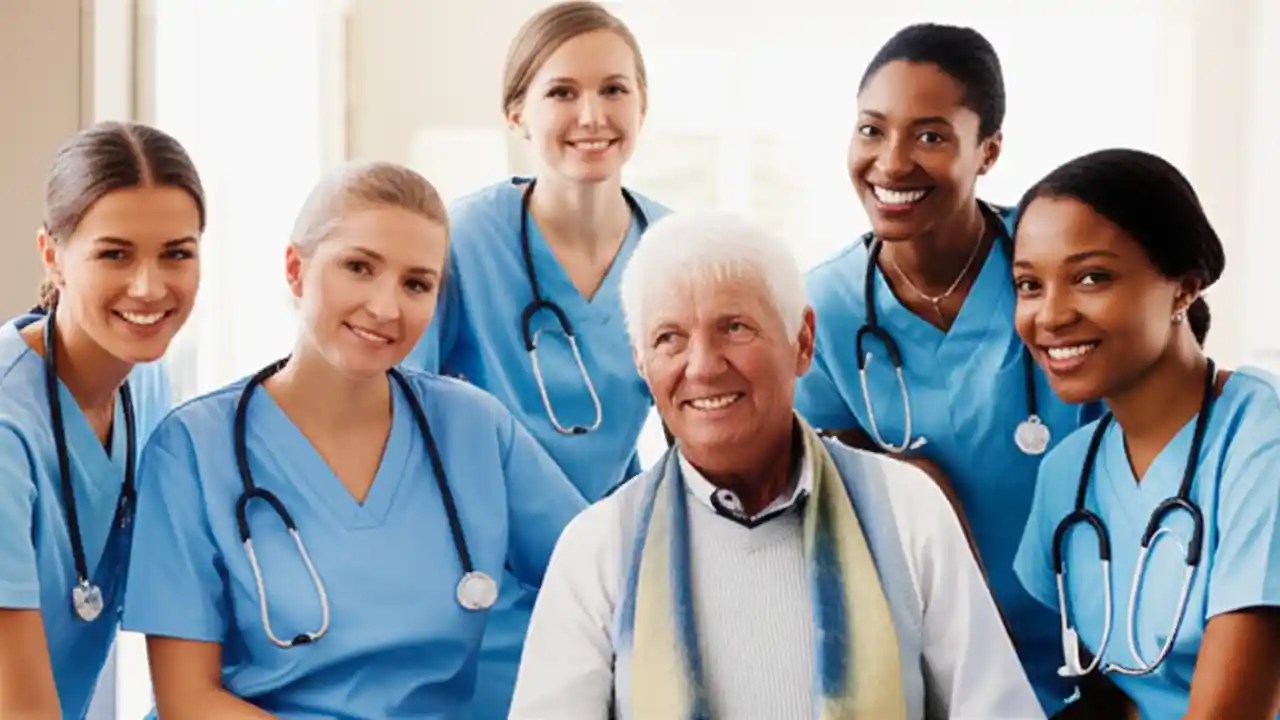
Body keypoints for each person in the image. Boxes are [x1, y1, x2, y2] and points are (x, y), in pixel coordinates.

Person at [509, 210, 1045, 720]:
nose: (703, 367)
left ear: (803, 341)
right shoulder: (598, 546)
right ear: (641, 364)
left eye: (735, 328)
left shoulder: (905, 509)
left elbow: (995, 708)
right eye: (669, 338)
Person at [120, 161, 586, 719]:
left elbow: (606, 578)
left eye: (417, 283)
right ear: (296, 269)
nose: (386, 308)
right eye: (359, 268)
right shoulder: (193, 448)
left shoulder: (474, 429)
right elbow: (186, 700)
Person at [793, 23, 1094, 712]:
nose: (891, 163)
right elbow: (818, 491)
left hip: (1106, 655)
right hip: (931, 667)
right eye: (872, 130)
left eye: (931, 136)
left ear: (987, 151)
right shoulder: (824, 306)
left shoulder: (1057, 260)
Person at [401, 3, 669, 715]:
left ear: (644, 105)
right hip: (483, 582)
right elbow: (401, 415)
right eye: (561, 92)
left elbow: (699, 427)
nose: (592, 114)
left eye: (615, 89)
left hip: (620, 581)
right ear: (517, 112)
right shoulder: (460, 239)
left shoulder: (674, 248)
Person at [1011, 148, 1280, 720]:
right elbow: (1093, 689)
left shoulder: (1262, 440)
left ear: (1184, 288)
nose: (1051, 315)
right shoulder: (1069, 473)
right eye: (1029, 285)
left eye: (1091, 277)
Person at [0, 121, 200, 719]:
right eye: (115, 253)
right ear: (52, 256)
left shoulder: (147, 384)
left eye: (177, 254)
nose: (149, 287)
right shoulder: (9, 428)